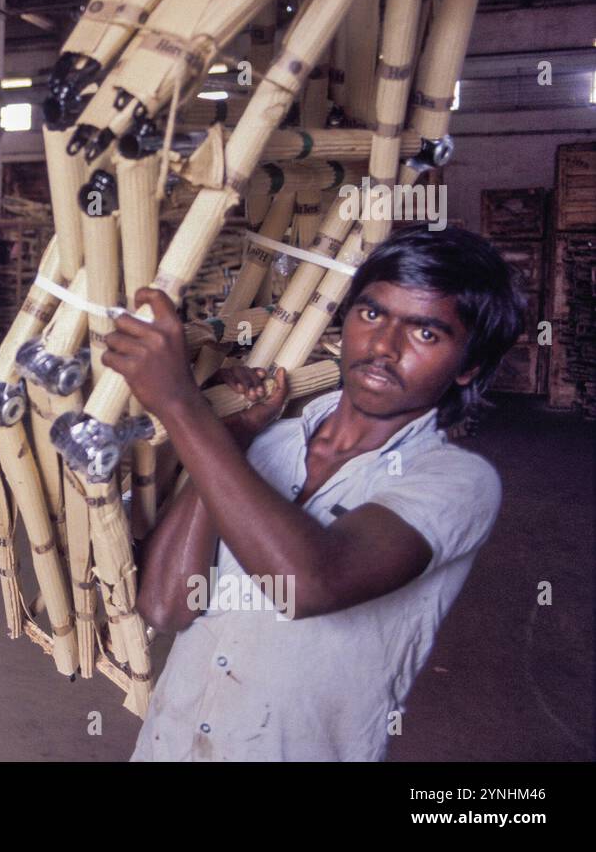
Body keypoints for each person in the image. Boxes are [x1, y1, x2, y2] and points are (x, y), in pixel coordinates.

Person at [105, 227, 525, 762]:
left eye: (425, 334)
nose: (382, 347)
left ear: (468, 366)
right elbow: (165, 605)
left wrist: (182, 404)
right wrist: (234, 433)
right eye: (372, 314)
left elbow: (306, 585)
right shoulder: (267, 442)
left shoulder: (454, 480)